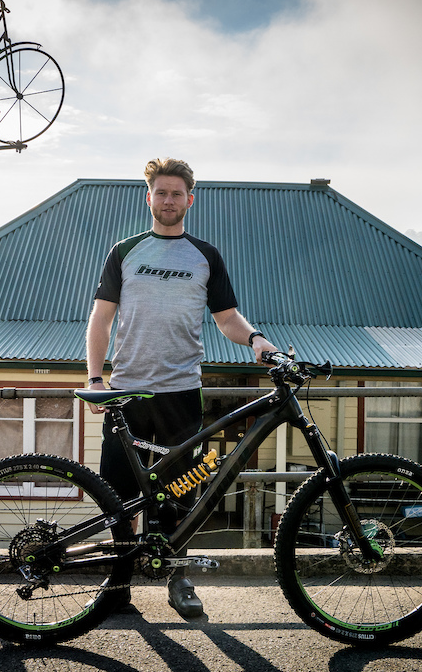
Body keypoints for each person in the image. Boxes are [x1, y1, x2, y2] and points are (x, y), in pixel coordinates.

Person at [85, 157, 278, 619]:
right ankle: (118, 584)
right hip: (127, 392)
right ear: (148, 197)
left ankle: (178, 577)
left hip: (180, 393)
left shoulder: (205, 255)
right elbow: (101, 318)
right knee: (118, 495)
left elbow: (227, 318)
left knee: (178, 493)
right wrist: (95, 377)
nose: (168, 200)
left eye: (177, 193)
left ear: (189, 200)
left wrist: (256, 339)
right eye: (161, 192)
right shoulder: (125, 250)